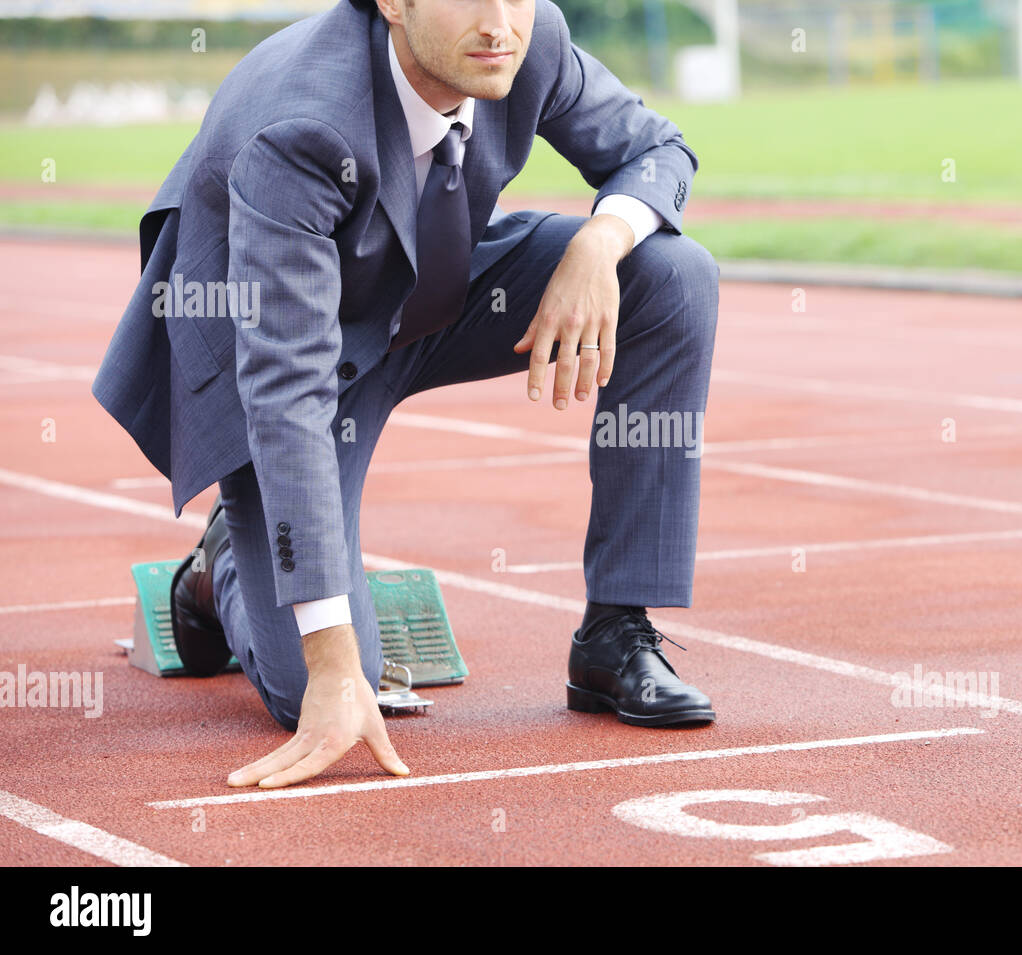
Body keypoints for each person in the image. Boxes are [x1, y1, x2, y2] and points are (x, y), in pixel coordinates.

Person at [91, 0, 720, 790]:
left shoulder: (530, 40)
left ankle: (615, 632)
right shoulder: (300, 124)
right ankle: (223, 567)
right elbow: (287, 389)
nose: (500, 24)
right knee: (315, 690)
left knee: (670, 272)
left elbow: (659, 147)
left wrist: (602, 240)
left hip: (433, 292)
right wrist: (328, 655)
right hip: (279, 345)